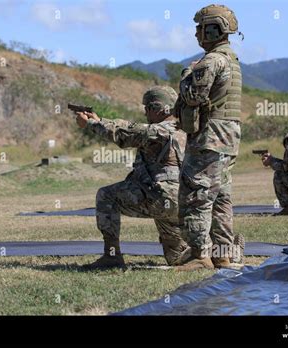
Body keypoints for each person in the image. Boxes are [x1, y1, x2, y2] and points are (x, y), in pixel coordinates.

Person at [74, 86, 191, 268]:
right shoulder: (183, 131)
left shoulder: (157, 131)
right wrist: (99, 120)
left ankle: (111, 256)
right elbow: (128, 128)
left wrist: (90, 124)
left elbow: (125, 133)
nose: (145, 113)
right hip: (182, 201)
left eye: (147, 108)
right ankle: (225, 250)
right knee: (177, 258)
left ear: (157, 108)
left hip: (160, 197)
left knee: (106, 196)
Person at [175, 4, 244, 271]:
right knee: (221, 196)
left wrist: (186, 75)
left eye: (200, 28)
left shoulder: (212, 60)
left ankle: (198, 255)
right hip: (227, 136)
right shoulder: (232, 60)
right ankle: (222, 255)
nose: (196, 34)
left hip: (210, 136)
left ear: (214, 29)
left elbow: (194, 96)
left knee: (197, 194)